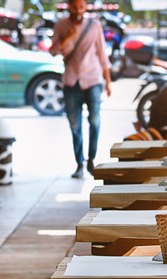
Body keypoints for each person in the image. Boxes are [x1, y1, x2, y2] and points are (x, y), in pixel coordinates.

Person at [50, 0, 111, 179]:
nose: (78, 10)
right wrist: (67, 37)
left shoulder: (94, 26)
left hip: (93, 78)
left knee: (94, 121)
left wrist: (108, 81)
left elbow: (102, 52)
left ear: (85, 8)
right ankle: (79, 163)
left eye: (81, 7)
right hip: (71, 81)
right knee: (74, 124)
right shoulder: (61, 25)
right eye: (74, 6)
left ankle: (91, 158)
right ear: (69, 6)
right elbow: (53, 51)